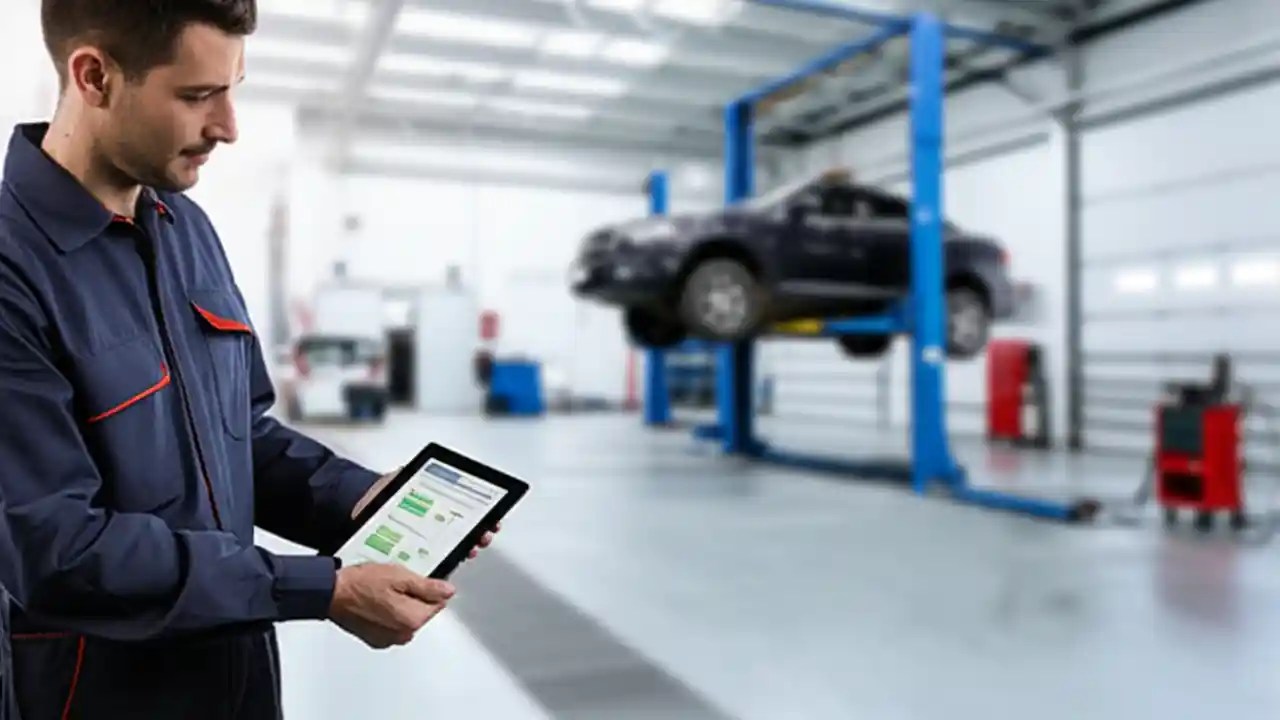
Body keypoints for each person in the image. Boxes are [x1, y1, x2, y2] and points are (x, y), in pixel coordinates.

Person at [0, 1, 496, 717]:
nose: (228, 127)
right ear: (94, 76)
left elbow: (242, 435)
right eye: (198, 96)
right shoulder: (14, 269)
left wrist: (361, 499)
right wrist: (317, 589)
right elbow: (56, 548)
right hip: (101, 695)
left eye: (234, 89)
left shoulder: (184, 227)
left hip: (236, 679)